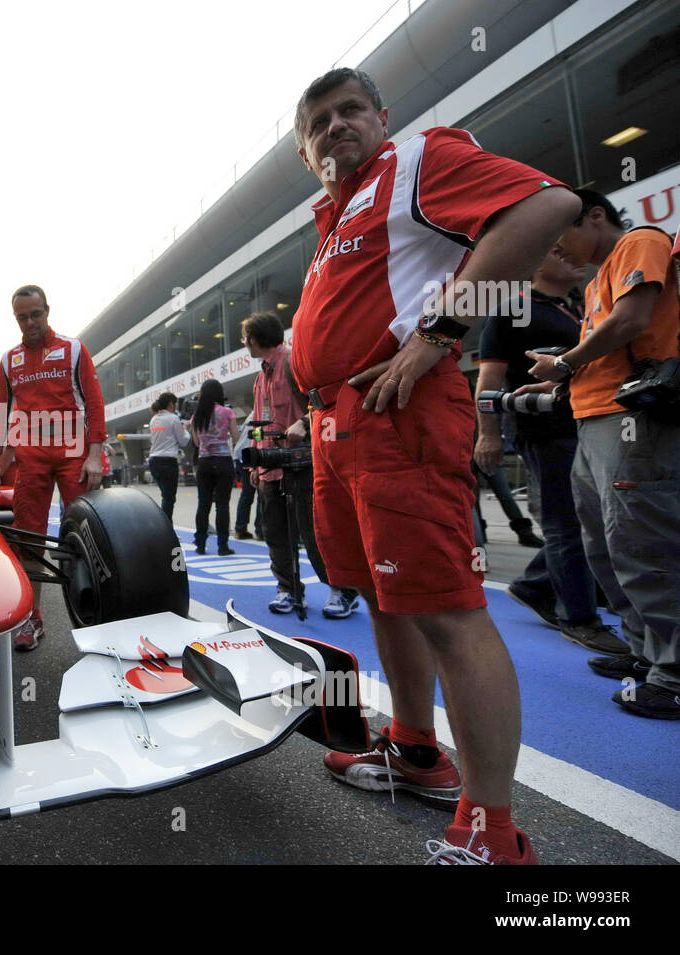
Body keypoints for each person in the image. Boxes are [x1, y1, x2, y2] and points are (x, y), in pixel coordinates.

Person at [288, 67, 582, 864]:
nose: (335, 126)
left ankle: (494, 830)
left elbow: (548, 205)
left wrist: (441, 332)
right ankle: (416, 749)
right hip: (337, 426)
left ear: (383, 116)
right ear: (304, 147)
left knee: (450, 609)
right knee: (387, 596)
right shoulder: (335, 212)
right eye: (317, 121)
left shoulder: (417, 158)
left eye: (351, 110)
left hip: (400, 415)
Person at [525, 190, 680, 719]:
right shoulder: (596, 281)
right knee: (608, 549)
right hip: (595, 420)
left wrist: (564, 363)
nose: (556, 252)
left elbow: (632, 321)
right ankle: (645, 653)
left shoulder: (639, 242)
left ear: (595, 215)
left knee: (644, 544)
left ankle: (675, 673)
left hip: (633, 420)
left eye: (558, 237)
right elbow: (604, 349)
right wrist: (555, 383)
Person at [474, 251, 624, 654]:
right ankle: (578, 617)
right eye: (559, 251)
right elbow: (490, 375)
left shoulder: (580, 305)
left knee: (592, 520)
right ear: (539, 261)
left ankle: (536, 585)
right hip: (543, 427)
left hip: (586, 421)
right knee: (565, 523)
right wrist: (488, 434)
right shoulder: (514, 309)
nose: (574, 258)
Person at [0, 285, 105, 651]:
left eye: (35, 314)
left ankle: (100, 616)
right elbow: (1, 410)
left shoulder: (72, 349)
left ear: (47, 311)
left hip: (73, 450)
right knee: (28, 537)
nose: (30, 322)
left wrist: (94, 454)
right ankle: (32, 619)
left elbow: (95, 401)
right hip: (32, 454)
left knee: (89, 535)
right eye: (22, 316)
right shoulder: (9, 360)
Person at [243, 312, 360, 618]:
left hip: (301, 464)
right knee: (275, 532)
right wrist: (255, 463)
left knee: (316, 531)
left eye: (245, 338)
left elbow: (324, 401)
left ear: (254, 339)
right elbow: (259, 425)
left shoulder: (293, 362)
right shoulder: (260, 377)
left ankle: (342, 590)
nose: (245, 344)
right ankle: (289, 590)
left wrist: (302, 424)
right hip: (269, 467)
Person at [189, 379, 238, 556]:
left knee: (203, 504)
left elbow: (195, 442)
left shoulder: (196, 415)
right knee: (222, 505)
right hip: (223, 460)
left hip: (204, 462)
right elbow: (236, 437)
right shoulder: (227, 412)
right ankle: (223, 546)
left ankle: (200, 544)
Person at [146, 391, 188, 518]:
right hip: (167, 462)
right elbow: (183, 441)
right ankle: (166, 528)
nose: (176, 406)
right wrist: (186, 429)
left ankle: (165, 526)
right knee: (169, 499)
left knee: (165, 496)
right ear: (170, 404)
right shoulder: (173, 418)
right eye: (175, 404)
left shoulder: (154, 419)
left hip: (154, 461)